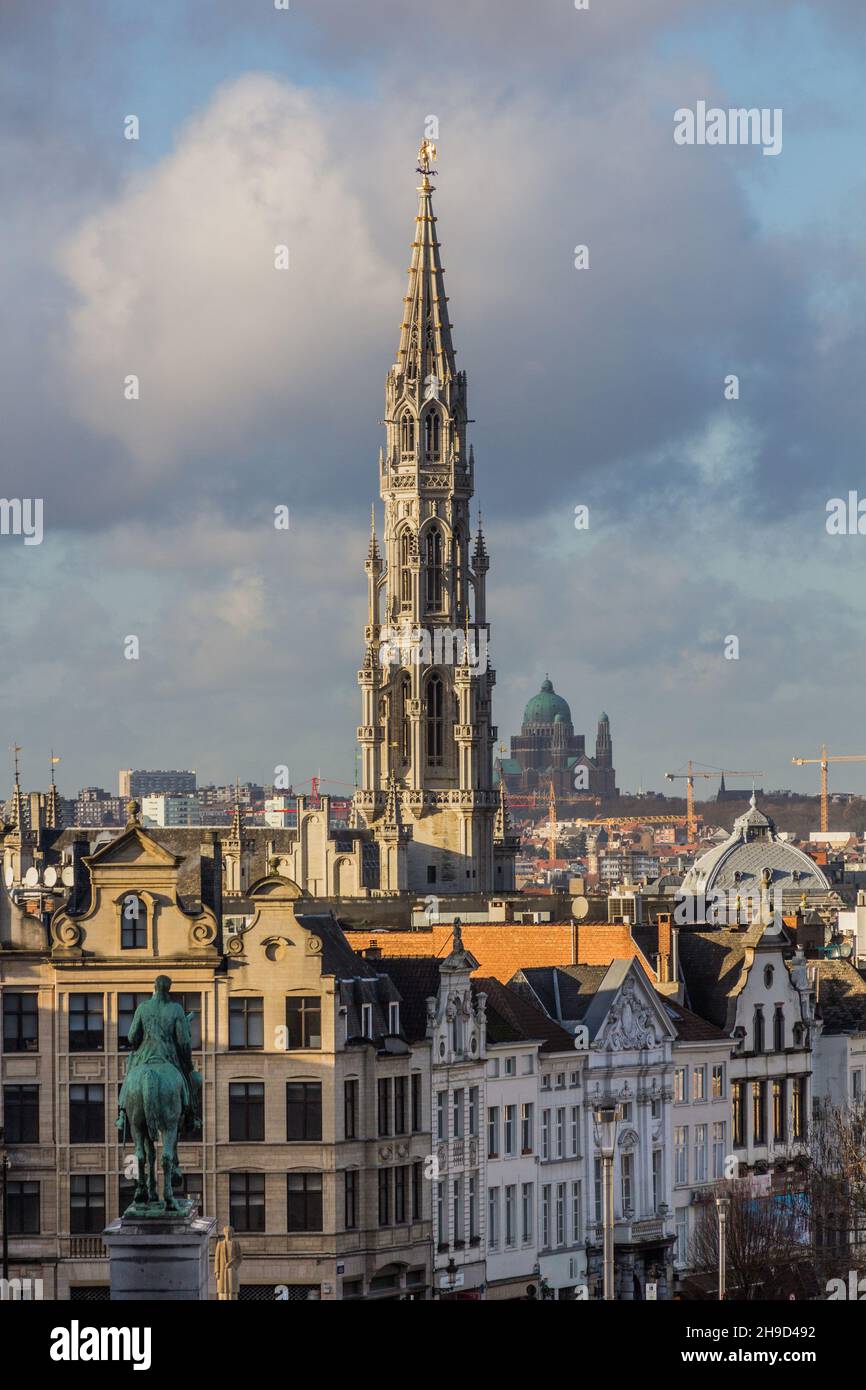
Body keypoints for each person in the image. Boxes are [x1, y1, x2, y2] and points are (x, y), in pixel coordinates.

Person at [115, 975, 202, 1137]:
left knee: (129, 1079)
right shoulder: (176, 1009)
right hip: (169, 1058)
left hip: (144, 1056)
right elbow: (184, 1041)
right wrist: (187, 1063)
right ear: (169, 988)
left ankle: (121, 1114)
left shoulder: (142, 1007)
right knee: (193, 1079)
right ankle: (192, 1116)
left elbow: (132, 1036)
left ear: (154, 987)